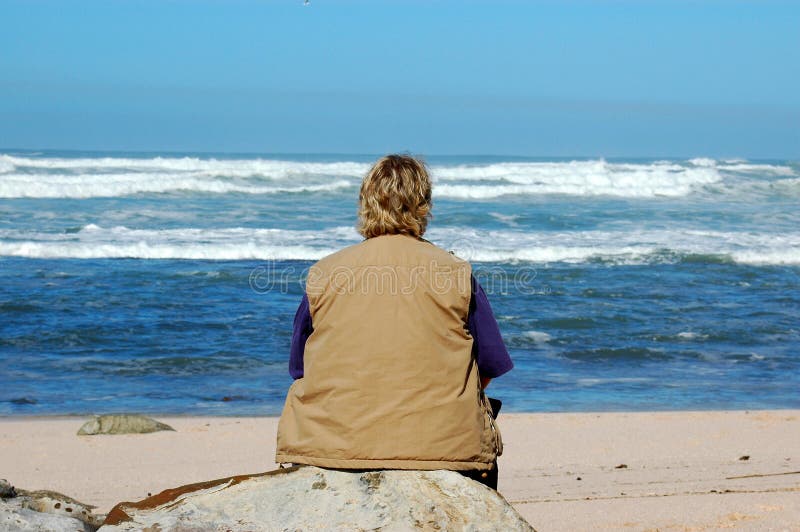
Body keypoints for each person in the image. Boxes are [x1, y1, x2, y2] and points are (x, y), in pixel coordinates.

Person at [275, 154, 513, 489]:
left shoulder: (325, 273)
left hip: (333, 444)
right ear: (423, 206)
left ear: (365, 203)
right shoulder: (456, 272)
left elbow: (301, 369)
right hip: (443, 445)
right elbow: (489, 366)